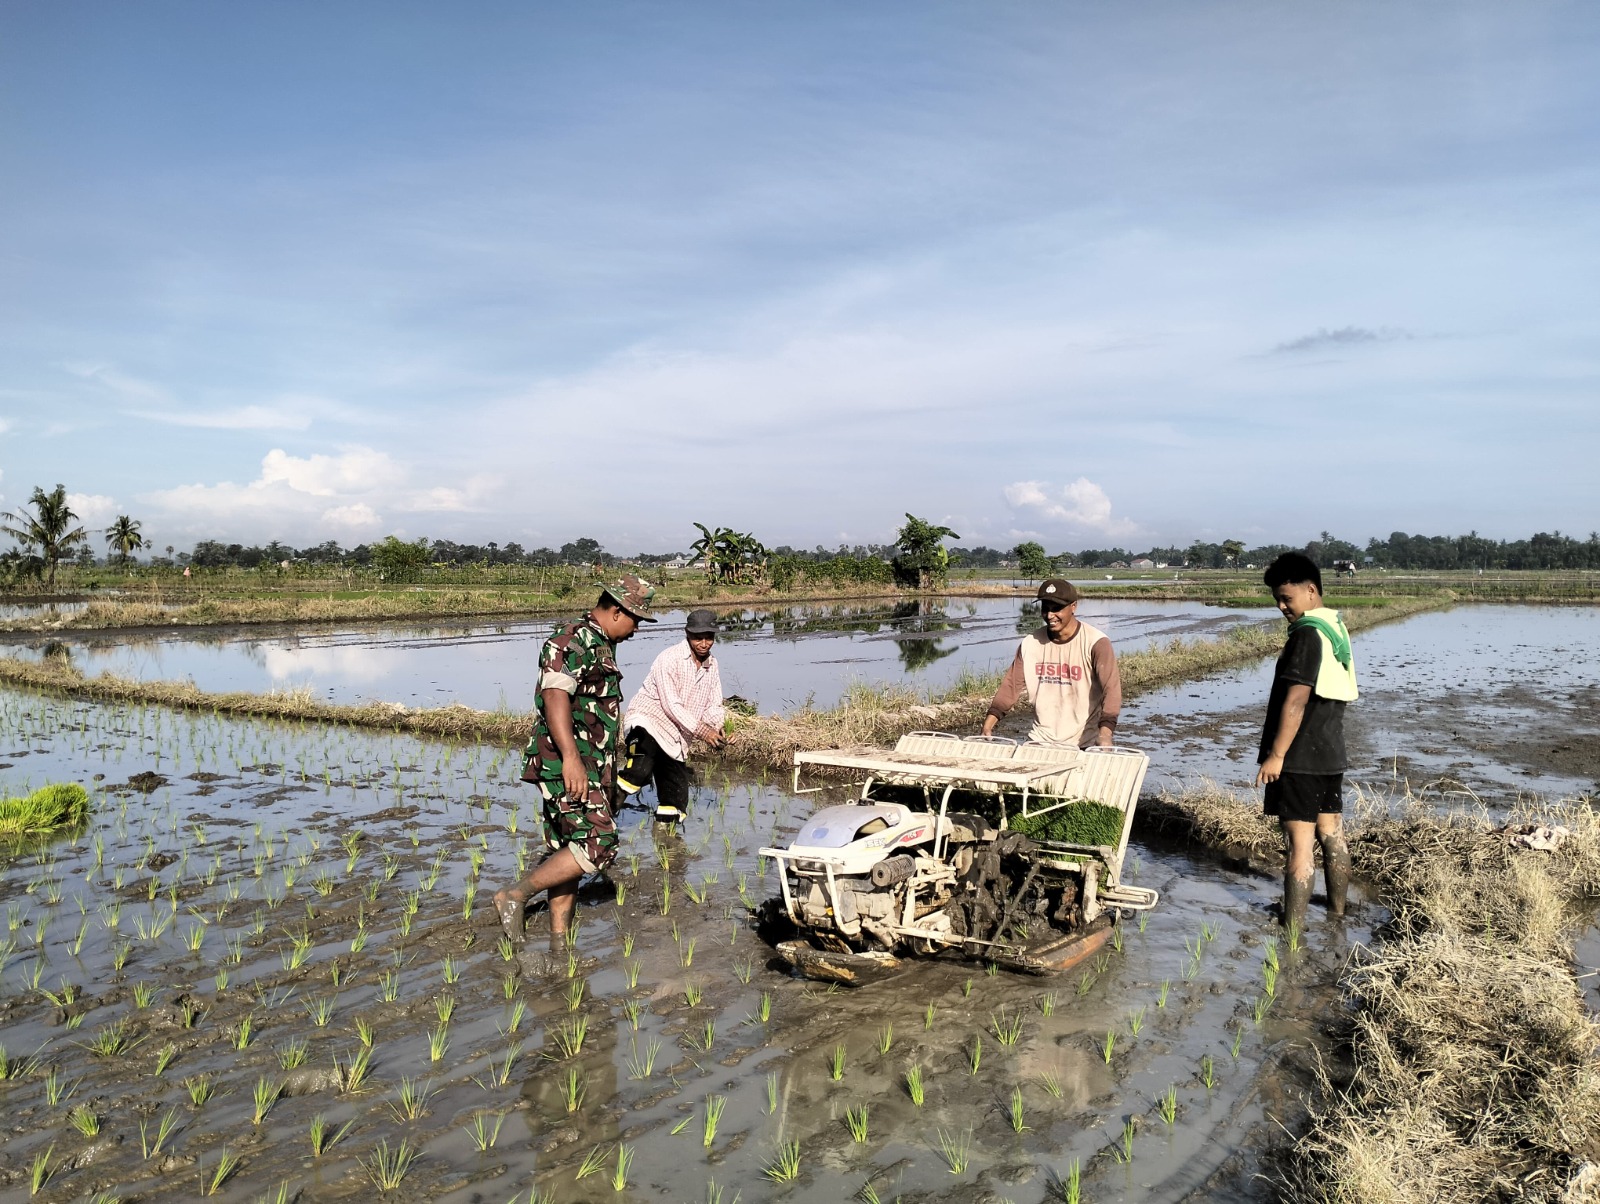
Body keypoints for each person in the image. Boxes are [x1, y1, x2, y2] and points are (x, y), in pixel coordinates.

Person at [493, 574, 657, 948]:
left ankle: (559, 945)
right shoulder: (570, 641)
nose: (635, 630)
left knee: (566, 850)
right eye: (636, 620)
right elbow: (555, 698)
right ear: (618, 611)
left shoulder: (600, 644)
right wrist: (571, 760)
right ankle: (514, 895)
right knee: (600, 843)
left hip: (589, 765)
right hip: (566, 765)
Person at [1253, 552, 1356, 925]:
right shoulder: (1334, 627)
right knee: (1332, 834)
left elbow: (1295, 701)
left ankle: (1292, 932)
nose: (1282, 607)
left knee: (1299, 844)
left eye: (1287, 598)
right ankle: (1337, 915)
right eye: (1277, 600)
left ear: (1311, 590)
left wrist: (1277, 755)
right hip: (1329, 753)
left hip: (1299, 757)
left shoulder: (1306, 634)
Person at [618, 607, 727, 824]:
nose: (704, 643)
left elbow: (713, 704)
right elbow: (672, 705)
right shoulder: (669, 658)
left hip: (676, 736)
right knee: (638, 772)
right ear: (687, 634)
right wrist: (704, 732)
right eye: (698, 638)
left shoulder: (712, 665)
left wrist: (717, 727)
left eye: (709, 638)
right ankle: (597, 819)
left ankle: (666, 840)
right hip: (648, 722)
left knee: (675, 801)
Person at [981, 579, 1121, 747]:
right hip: (1040, 740)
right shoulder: (1031, 643)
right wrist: (988, 726)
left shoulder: (1095, 643)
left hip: (1083, 743)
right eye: (1045, 608)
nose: (1049, 615)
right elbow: (1010, 687)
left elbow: (1111, 690)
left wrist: (1105, 734)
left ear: (1073, 606)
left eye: (1056, 609)